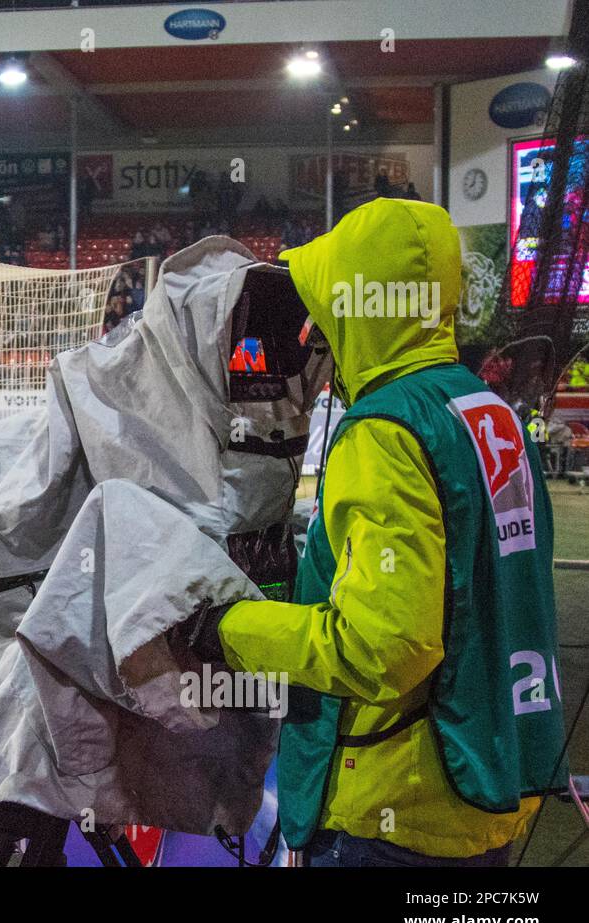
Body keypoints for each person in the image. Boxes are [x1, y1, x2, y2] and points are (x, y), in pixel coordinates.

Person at [182, 198, 566, 866]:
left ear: (360, 309)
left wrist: (228, 629)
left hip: (397, 804)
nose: (309, 335)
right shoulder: (489, 413)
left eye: (323, 310)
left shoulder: (385, 431)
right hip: (487, 780)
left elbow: (383, 648)